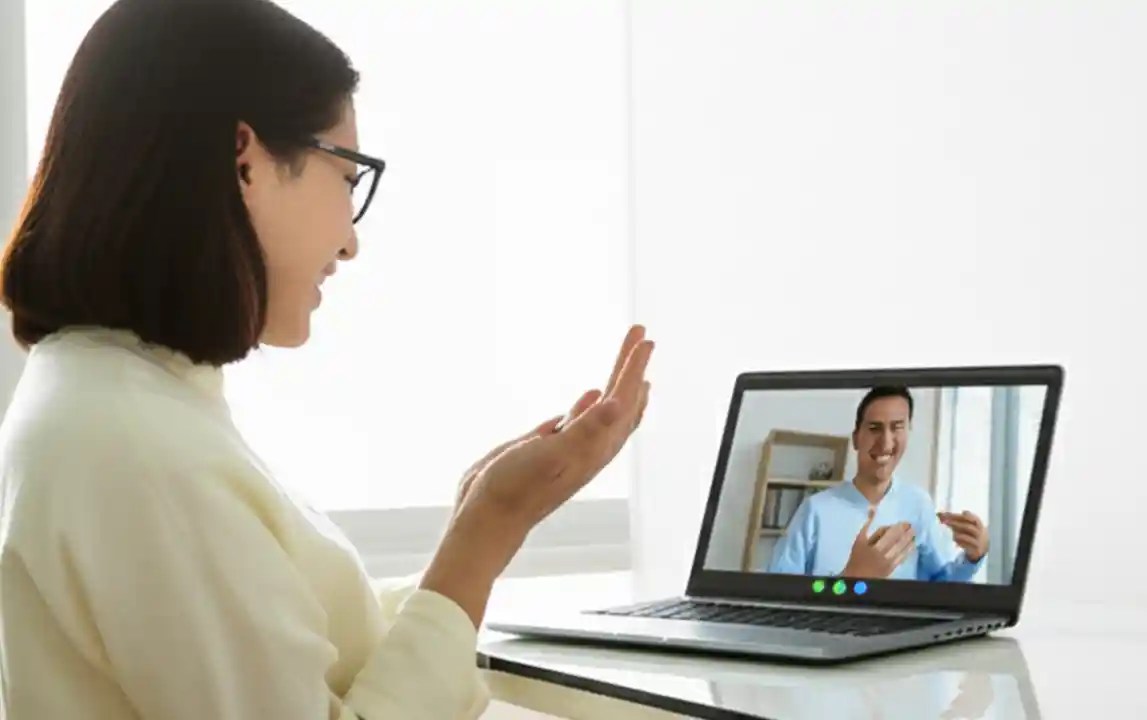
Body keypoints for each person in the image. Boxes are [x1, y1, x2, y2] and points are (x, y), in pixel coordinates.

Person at [0, 1, 654, 718]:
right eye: (347, 178)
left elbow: (294, 649)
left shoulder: (122, 403)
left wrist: (475, 521)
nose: (349, 242)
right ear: (244, 159)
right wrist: (489, 530)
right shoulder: (128, 444)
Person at [765, 386, 988, 581]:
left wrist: (972, 558)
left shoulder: (919, 504)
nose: (886, 442)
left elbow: (940, 586)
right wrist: (851, 578)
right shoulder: (814, 510)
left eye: (897, 427)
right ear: (856, 438)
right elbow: (777, 594)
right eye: (874, 428)